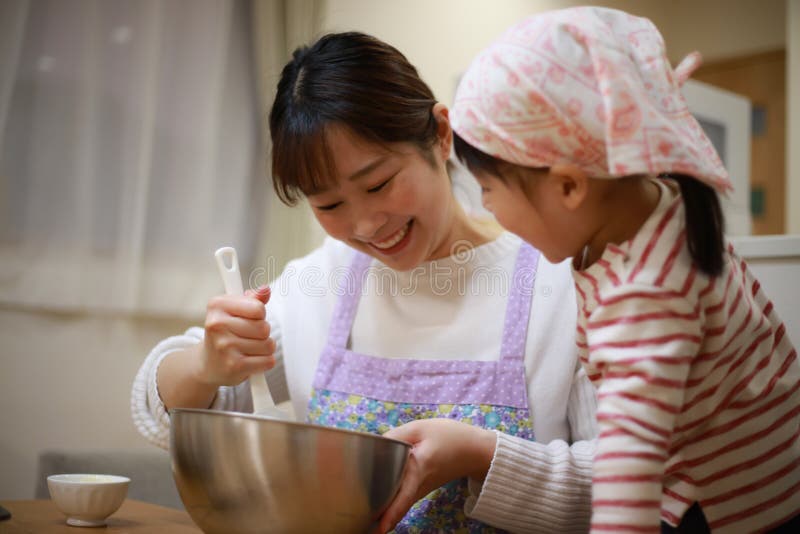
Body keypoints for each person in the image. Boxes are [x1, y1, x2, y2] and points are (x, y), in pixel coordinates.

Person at [131, 31, 599, 532]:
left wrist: (482, 455)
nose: (365, 226)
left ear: (441, 135)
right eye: (328, 205)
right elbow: (168, 406)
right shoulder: (322, 282)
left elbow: (632, 483)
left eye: (378, 184)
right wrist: (206, 364)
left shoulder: (561, 281)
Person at [450, 6, 800, 534]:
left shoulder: (645, 295)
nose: (487, 210)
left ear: (569, 186)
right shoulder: (653, 199)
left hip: (738, 506)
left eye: (490, 190)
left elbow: (626, 479)